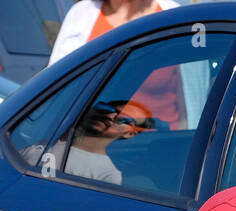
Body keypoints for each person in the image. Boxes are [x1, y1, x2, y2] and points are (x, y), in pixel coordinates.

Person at [49, 1, 187, 129]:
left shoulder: (174, 15)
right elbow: (56, 94)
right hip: (92, 148)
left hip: (162, 146)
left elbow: (194, 99)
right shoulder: (81, 15)